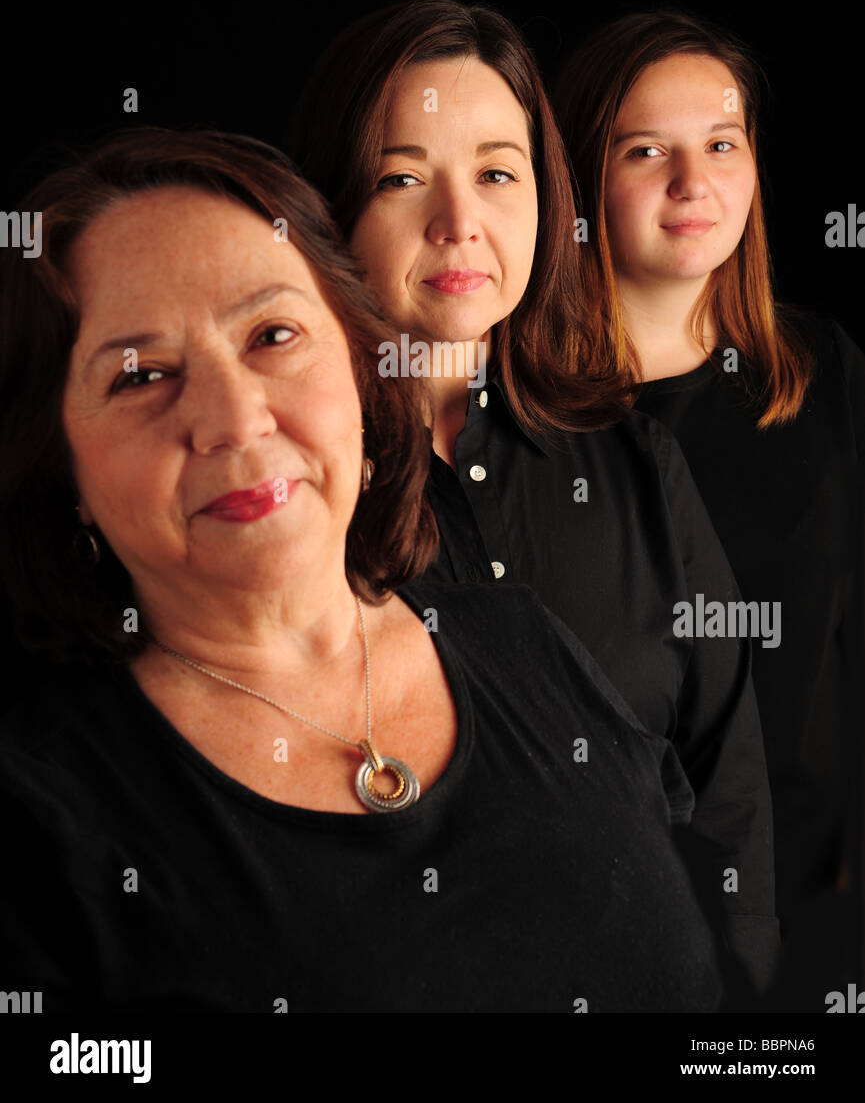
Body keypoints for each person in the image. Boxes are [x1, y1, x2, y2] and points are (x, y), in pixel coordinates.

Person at [0, 127, 722, 1013]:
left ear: (358, 369)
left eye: (272, 334)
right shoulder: (38, 817)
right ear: (59, 465)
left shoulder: (523, 637)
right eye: (141, 375)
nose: (234, 420)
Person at [290, 0, 778, 996]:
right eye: (401, 177)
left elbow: (729, 797)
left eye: (496, 174)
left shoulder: (638, 461)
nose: (459, 221)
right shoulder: (293, 495)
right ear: (332, 207)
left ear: (549, 202)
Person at [553, 9, 865, 943]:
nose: (693, 183)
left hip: (817, 890)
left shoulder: (824, 371)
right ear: (578, 176)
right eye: (646, 151)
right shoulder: (524, 422)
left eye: (721, 143)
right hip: (611, 913)